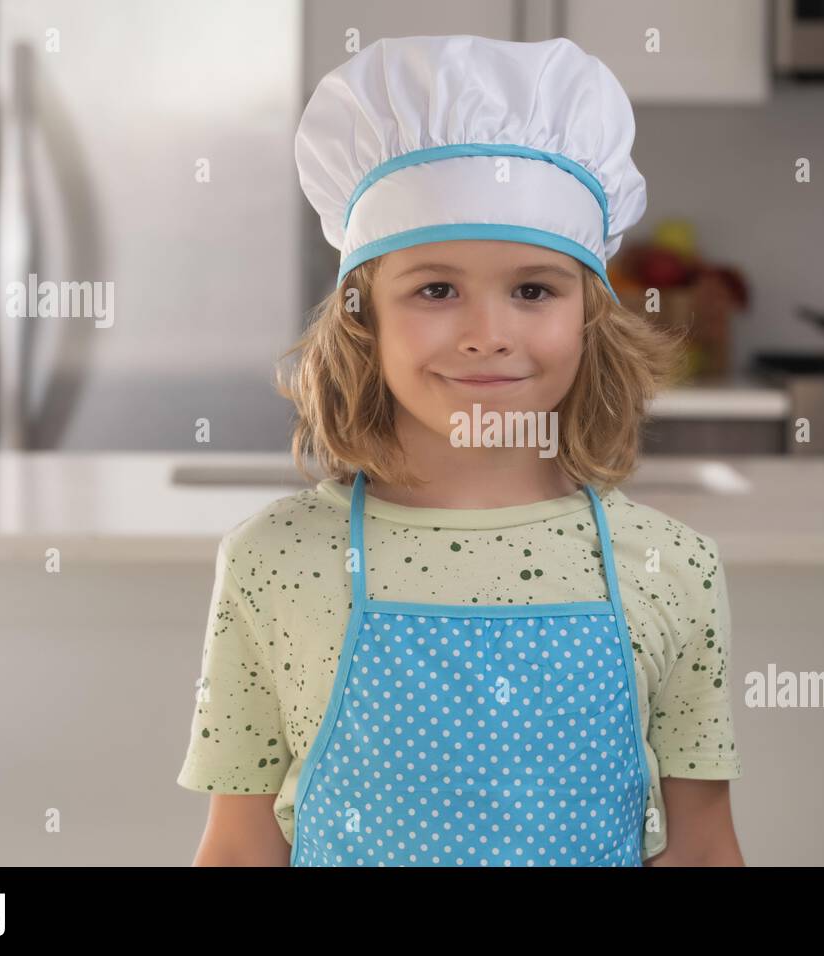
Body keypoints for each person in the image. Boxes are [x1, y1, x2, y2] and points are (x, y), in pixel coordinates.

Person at [176, 34, 744, 867]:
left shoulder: (673, 568)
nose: (487, 335)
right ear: (362, 320)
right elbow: (238, 848)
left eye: (533, 290)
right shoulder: (274, 561)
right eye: (435, 290)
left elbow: (702, 851)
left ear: (590, 317)